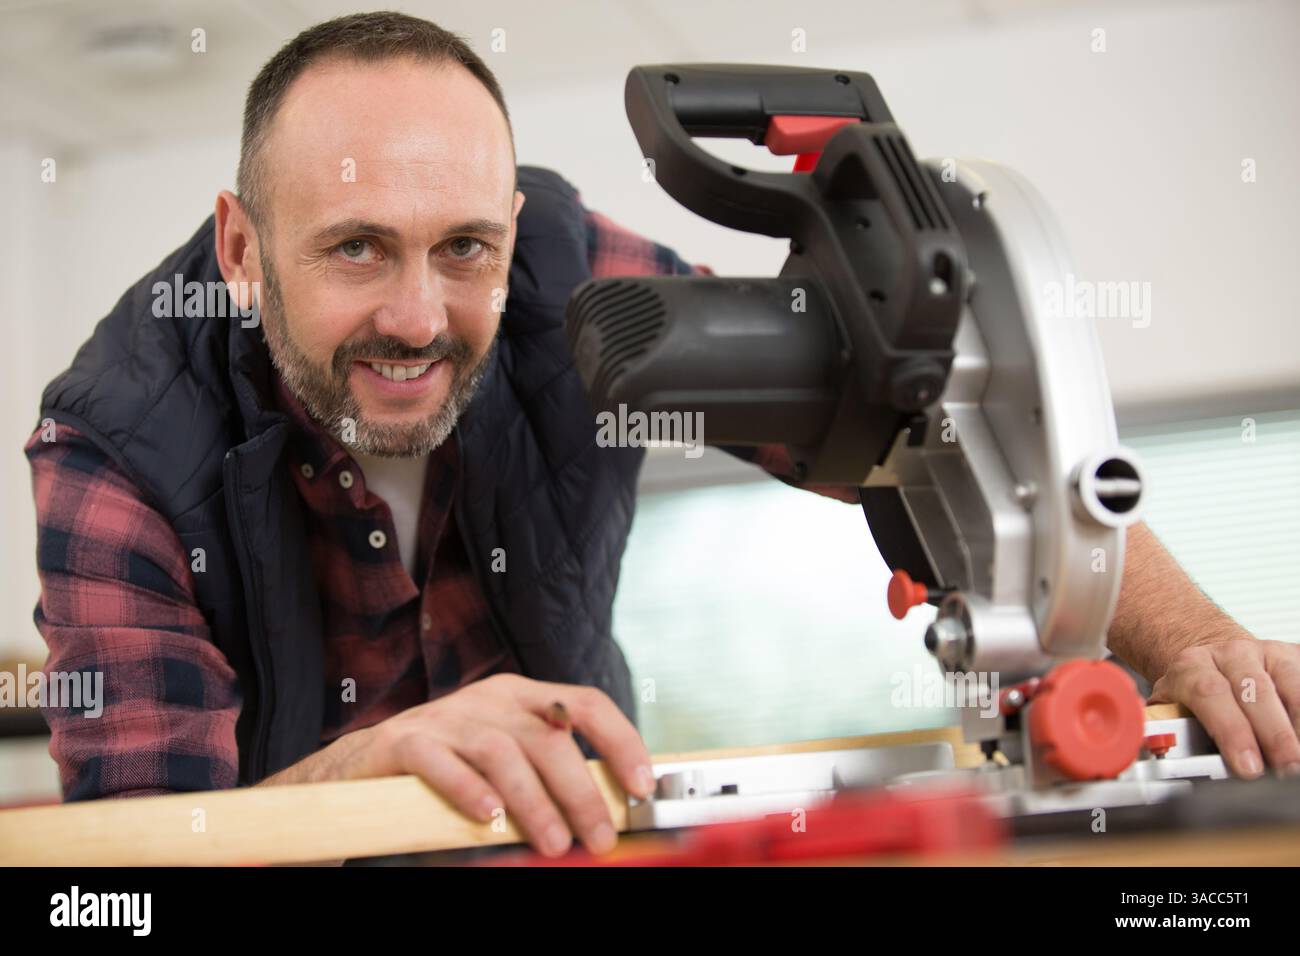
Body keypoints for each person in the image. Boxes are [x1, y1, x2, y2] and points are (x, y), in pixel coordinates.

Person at [25, 11, 1300, 860]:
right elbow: (132, 870)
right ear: (242, 251)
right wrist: (363, 771)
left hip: (582, 831)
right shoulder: (120, 446)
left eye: (463, 246)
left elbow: (926, 427)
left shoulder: (579, 284)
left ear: (515, 230)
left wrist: (1199, 642)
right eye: (357, 248)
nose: (417, 316)